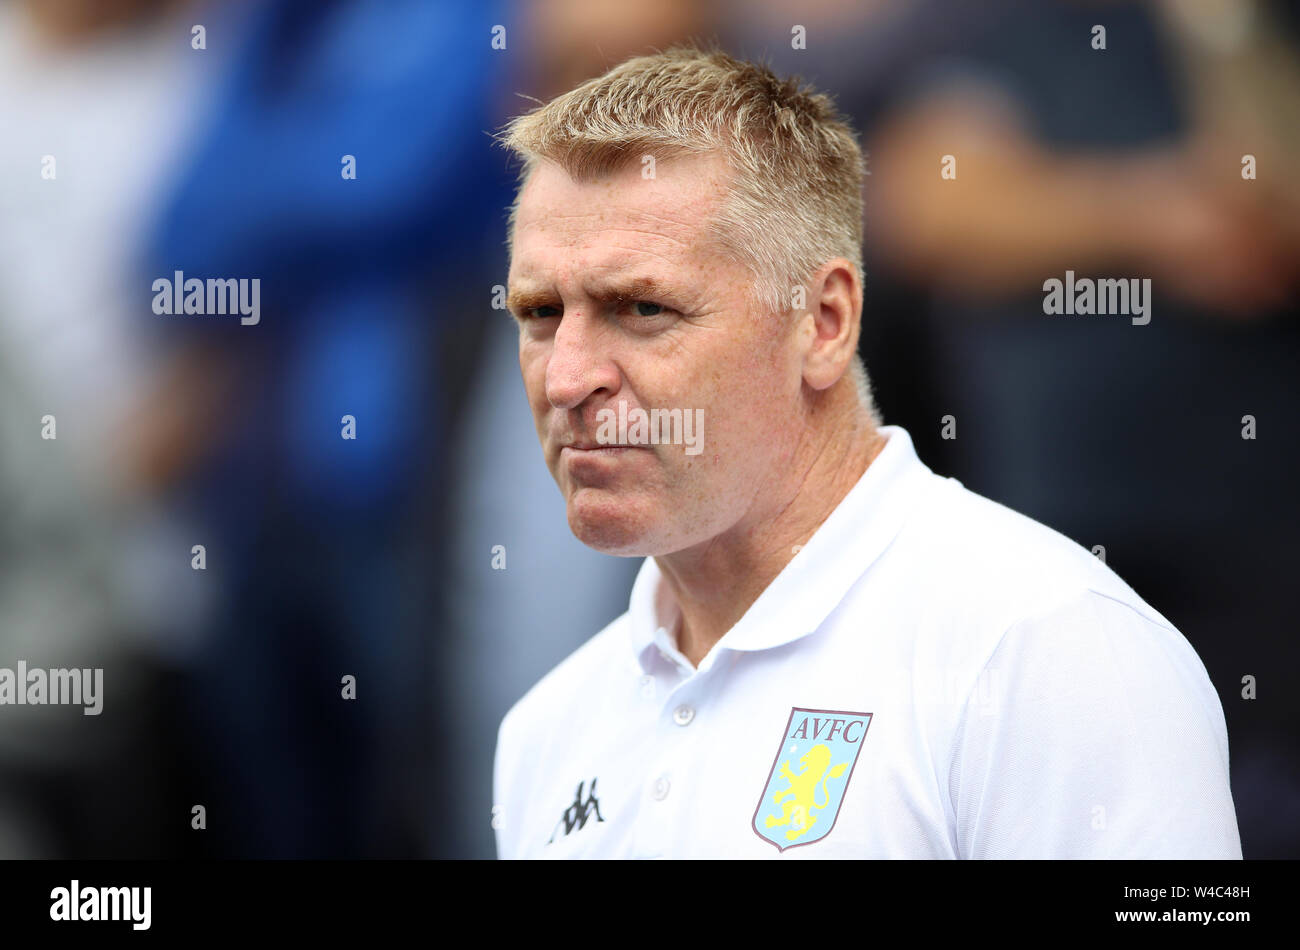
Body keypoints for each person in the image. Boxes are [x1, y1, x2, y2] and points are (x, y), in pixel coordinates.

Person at [491, 47, 1240, 859]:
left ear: (823, 323)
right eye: (538, 312)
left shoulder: (1049, 654)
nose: (565, 377)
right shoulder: (547, 730)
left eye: (642, 307)